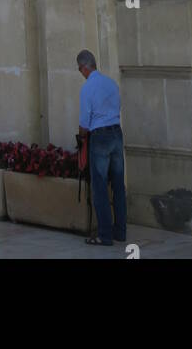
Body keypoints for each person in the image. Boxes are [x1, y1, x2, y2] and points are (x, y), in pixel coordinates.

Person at [77, 49, 127, 248]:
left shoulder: (88, 87)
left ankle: (105, 235)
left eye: (80, 69)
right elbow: (118, 107)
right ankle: (120, 232)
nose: (81, 73)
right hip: (116, 133)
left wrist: (81, 138)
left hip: (99, 137)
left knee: (100, 188)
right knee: (118, 186)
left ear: (84, 67)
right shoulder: (111, 83)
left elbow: (84, 122)